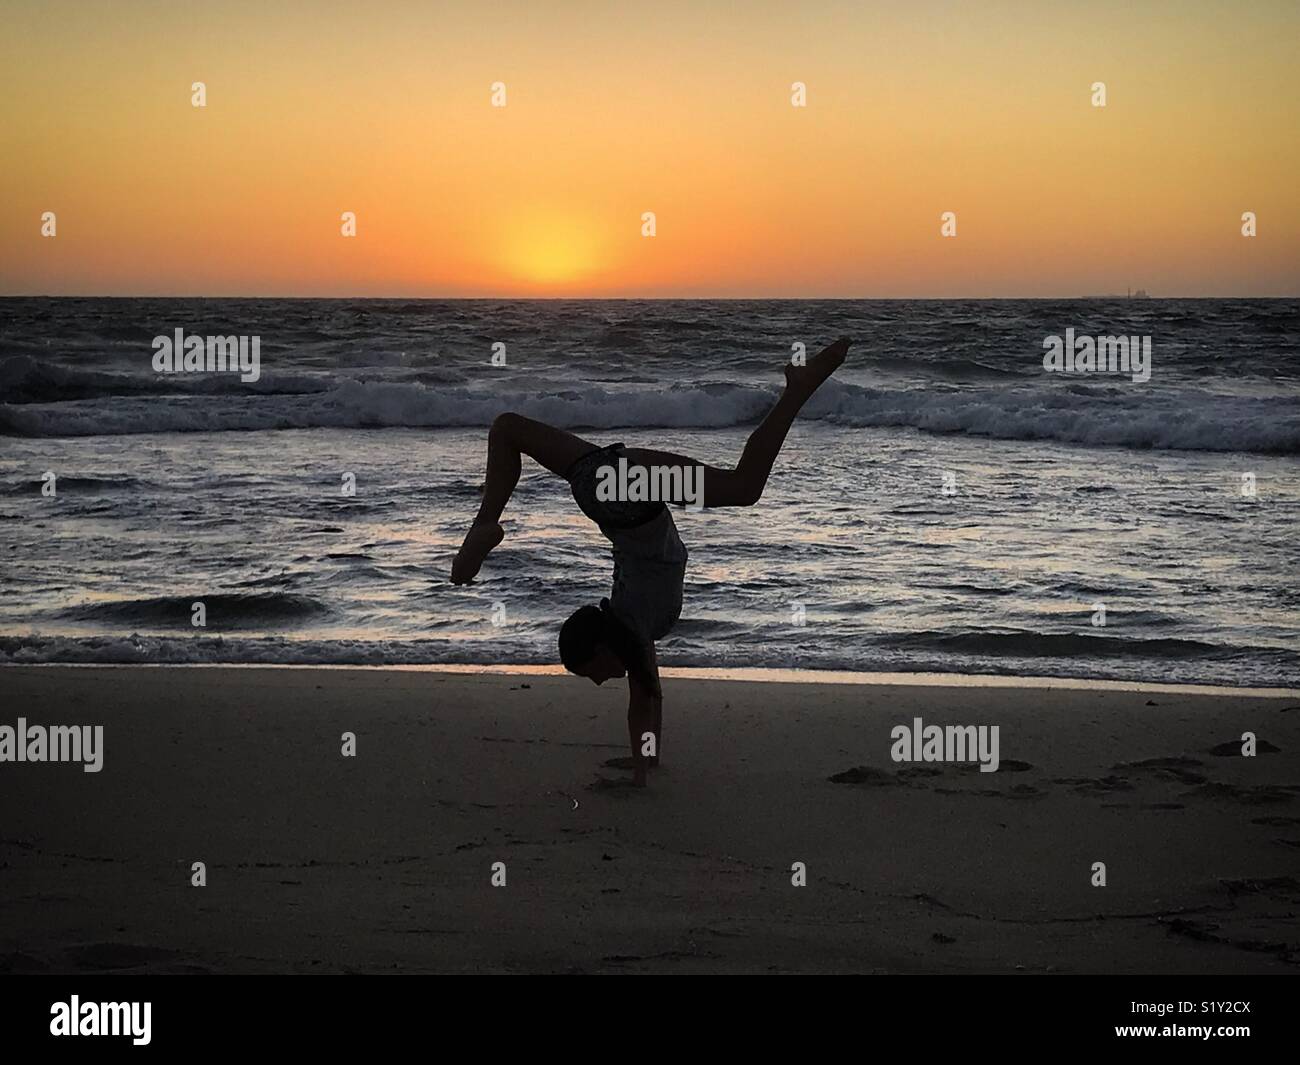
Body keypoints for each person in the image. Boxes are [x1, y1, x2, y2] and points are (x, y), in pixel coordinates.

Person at [451, 337, 851, 785]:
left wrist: (638, 778)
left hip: (628, 496)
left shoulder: (635, 625)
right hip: (603, 484)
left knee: (744, 487)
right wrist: (647, 759)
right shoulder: (631, 624)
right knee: (507, 428)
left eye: (593, 672)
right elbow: (652, 695)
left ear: (603, 648)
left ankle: (797, 390)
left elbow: (642, 700)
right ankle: (485, 520)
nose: (601, 682)